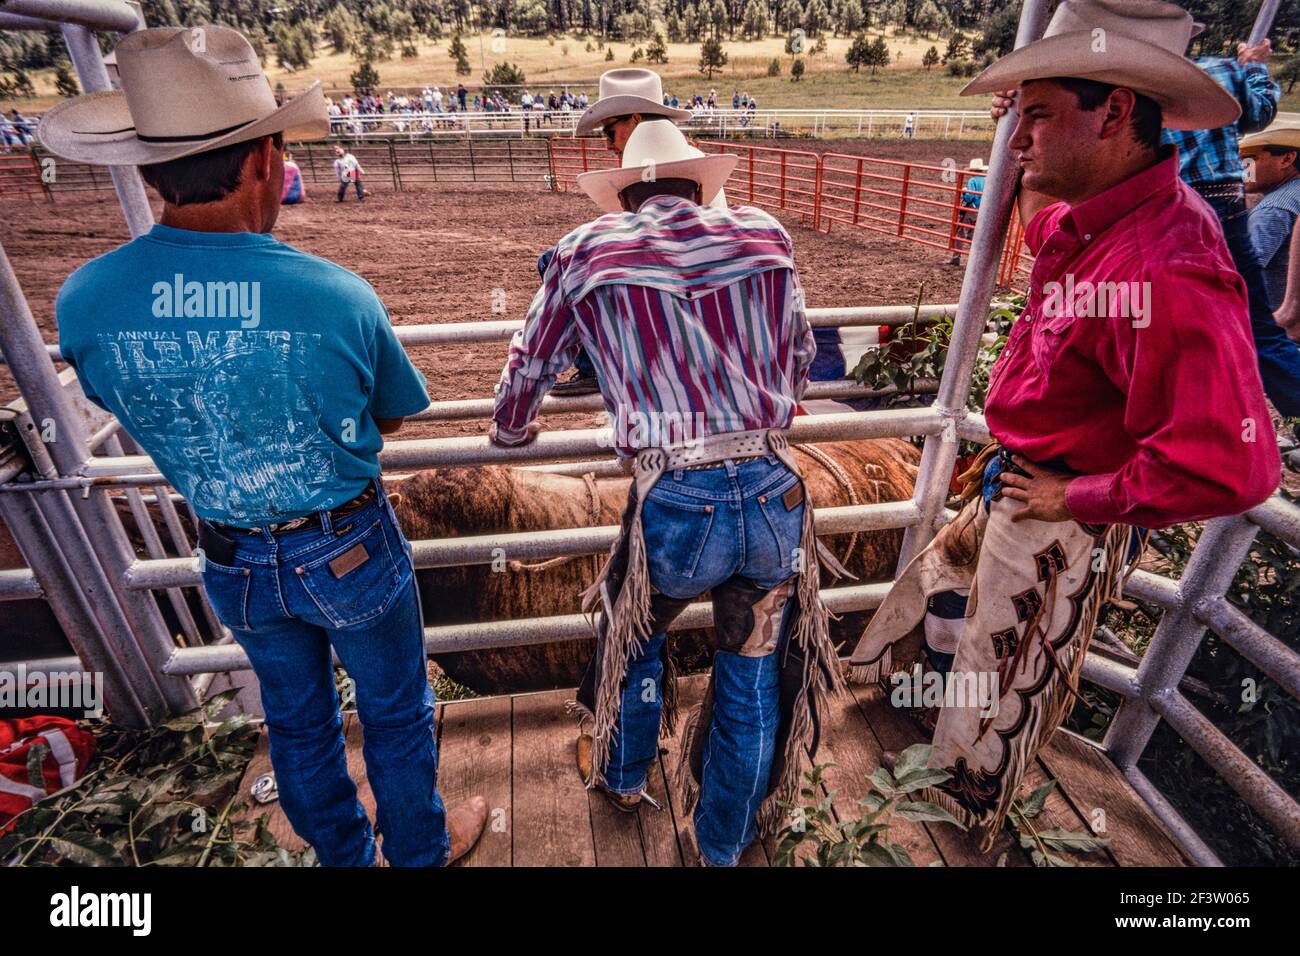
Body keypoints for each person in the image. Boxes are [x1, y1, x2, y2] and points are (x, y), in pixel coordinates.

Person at [39, 25, 487, 867]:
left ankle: (343, 857)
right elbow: (390, 416)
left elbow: (117, 395)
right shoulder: (332, 295)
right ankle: (419, 850)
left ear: (147, 166)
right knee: (394, 710)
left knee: (297, 717)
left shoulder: (86, 299)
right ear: (263, 159)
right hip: (347, 546)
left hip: (231, 551)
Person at [850, 0, 1280, 849]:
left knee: (998, 672)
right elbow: (1038, 220)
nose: (1019, 139)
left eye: (1038, 116)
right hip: (1021, 481)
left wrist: (1076, 495)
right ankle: (944, 757)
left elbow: (1237, 469)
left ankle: (961, 815)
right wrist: (1023, 148)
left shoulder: (1171, 267)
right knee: (946, 613)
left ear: (1115, 110)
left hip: (1056, 512)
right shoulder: (1103, 222)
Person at [489, 120, 845, 867]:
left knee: (637, 644)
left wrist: (513, 431)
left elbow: (531, 364)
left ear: (626, 192)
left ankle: (623, 778)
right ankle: (722, 845)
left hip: (677, 500)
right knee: (749, 683)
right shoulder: (766, 237)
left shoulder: (586, 251)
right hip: (775, 494)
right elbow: (804, 355)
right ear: (697, 184)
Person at [1161, 34, 1300, 418]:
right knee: (1257, 326)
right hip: (1223, 203)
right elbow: (1260, 112)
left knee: (1162, 322)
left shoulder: (1125, 87)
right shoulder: (1217, 70)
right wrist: (1253, 65)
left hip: (1167, 206)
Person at [552, 69, 697, 397]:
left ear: (633, 120)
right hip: (686, 286)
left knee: (561, 259)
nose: (607, 144)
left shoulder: (649, 174)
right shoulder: (690, 166)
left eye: (610, 131)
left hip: (668, 287)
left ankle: (593, 365)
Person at [1242, 114, 1300, 318]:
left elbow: (1241, 275)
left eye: (1252, 159)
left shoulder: (1274, 209)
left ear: (1286, 159)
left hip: (1274, 325)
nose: (1244, 169)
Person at [951, 157, 987, 265]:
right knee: (973, 234)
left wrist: (964, 193)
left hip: (971, 209)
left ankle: (956, 257)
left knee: (960, 232)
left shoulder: (973, 180)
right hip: (982, 210)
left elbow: (969, 196)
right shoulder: (986, 180)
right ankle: (976, 259)